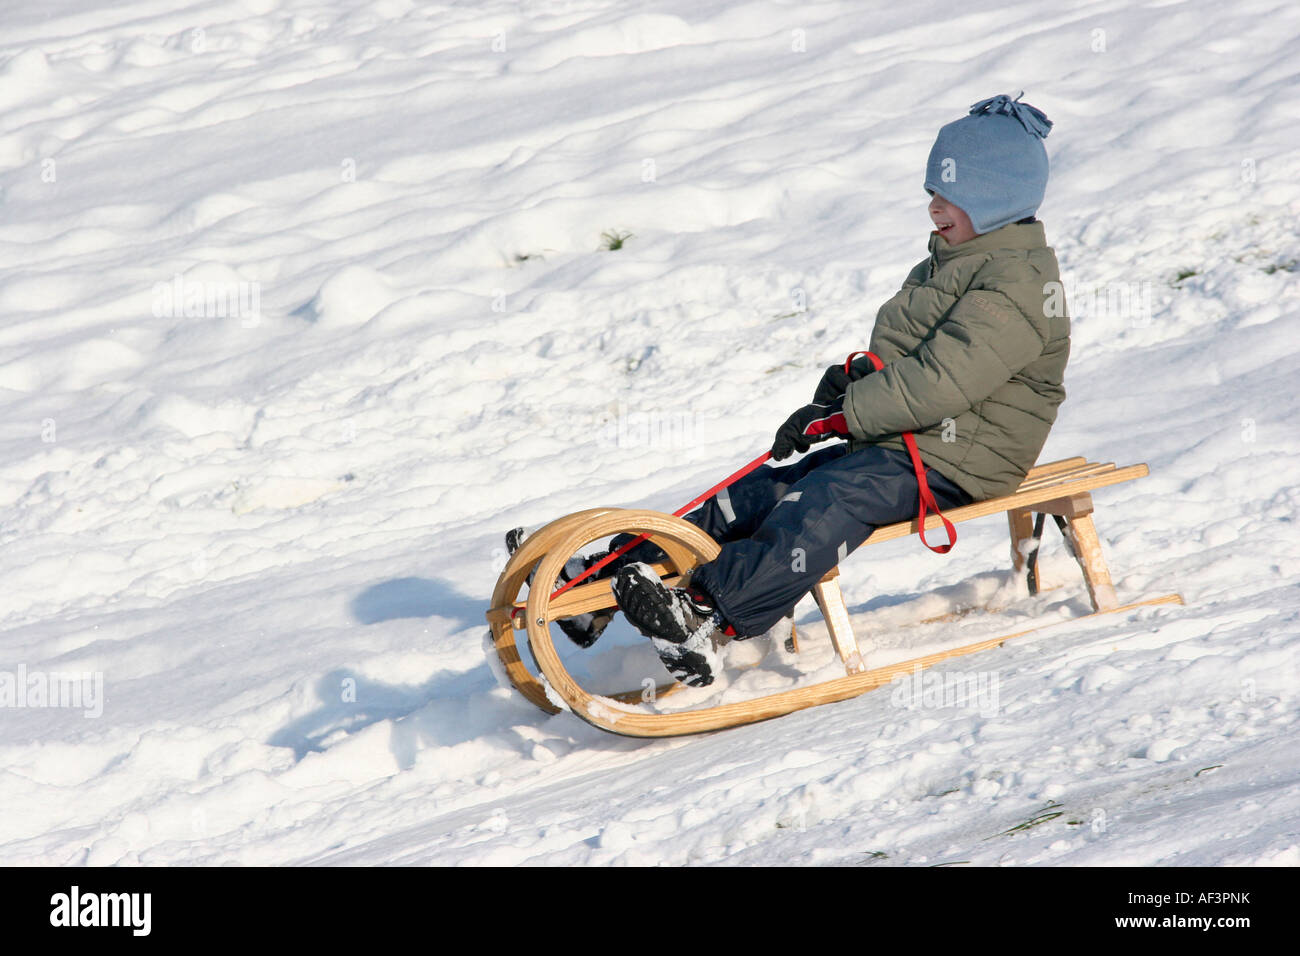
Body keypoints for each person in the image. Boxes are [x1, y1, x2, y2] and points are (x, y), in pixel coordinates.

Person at [518, 93, 1071, 688]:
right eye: (932, 192)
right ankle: (603, 581)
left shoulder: (1015, 286)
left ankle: (709, 620)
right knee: (757, 492)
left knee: (828, 502)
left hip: (961, 458)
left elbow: (939, 382)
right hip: (905, 441)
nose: (933, 207)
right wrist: (833, 399)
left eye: (948, 196)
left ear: (995, 200)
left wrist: (846, 419)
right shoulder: (952, 261)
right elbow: (902, 360)